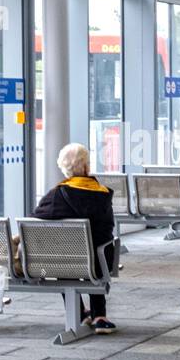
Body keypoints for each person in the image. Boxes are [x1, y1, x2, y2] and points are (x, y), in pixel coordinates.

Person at [32, 143, 117, 334]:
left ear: (65, 169)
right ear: (86, 168)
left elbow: (34, 221)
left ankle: (79, 312)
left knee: (62, 252)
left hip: (63, 263)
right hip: (97, 263)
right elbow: (107, 231)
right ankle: (99, 316)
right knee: (100, 247)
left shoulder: (55, 196)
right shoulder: (102, 195)